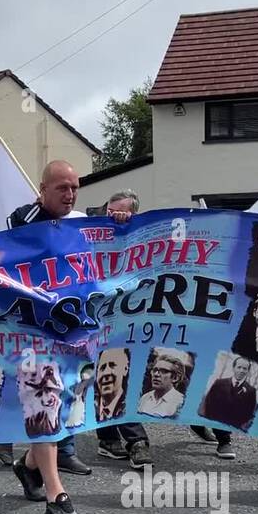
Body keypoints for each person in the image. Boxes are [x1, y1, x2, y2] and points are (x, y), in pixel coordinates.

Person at [0, 160, 93, 482]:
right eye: (62, 188)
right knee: (45, 398)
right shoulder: (25, 217)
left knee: (69, 395)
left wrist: (121, 220)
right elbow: (20, 233)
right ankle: (56, 488)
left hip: (71, 328)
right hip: (34, 331)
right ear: (42, 190)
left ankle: (30, 464)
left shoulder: (79, 223)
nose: (70, 195)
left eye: (75, 188)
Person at [91, 189, 155, 470]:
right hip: (99, 316)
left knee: (120, 373)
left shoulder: (144, 237)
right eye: (110, 211)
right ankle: (130, 440)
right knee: (108, 372)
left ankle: (115, 438)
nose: (114, 217)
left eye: (121, 213)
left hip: (131, 317)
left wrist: (130, 226)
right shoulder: (92, 231)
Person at [197, 355, 258, 458]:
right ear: (234, 368)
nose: (241, 371)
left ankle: (224, 440)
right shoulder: (219, 383)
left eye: (245, 369)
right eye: (239, 367)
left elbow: (249, 412)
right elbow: (209, 404)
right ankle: (197, 425)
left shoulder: (251, 390)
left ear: (248, 371)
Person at [138, 351, 188, 416]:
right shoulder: (144, 398)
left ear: (175, 378)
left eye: (164, 371)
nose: (156, 374)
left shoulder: (180, 402)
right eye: (155, 370)